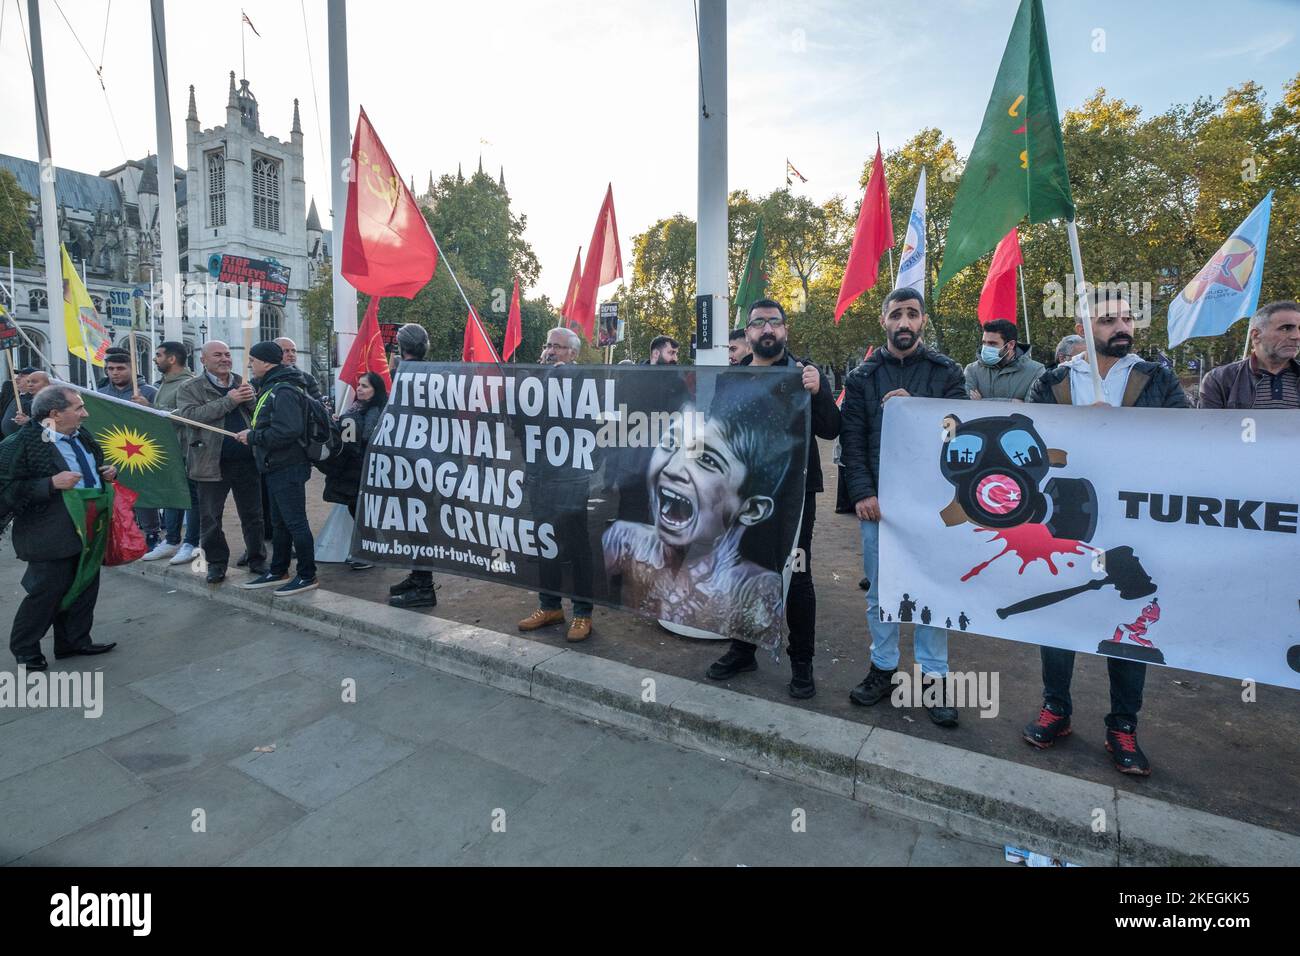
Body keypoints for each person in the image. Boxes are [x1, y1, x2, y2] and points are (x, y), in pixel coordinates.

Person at [1022, 289, 1189, 776]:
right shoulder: (1052, 382)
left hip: (1134, 524)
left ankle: (1123, 726)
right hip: (1067, 520)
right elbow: (1032, 445)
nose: (1120, 327)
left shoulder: (1157, 378)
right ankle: (1057, 709)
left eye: (1126, 319)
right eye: (1107, 319)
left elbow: (1186, 439)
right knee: (1059, 615)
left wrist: (1125, 427)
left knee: (1130, 622)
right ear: (1084, 324)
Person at [840, 287, 967, 726]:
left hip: (934, 505)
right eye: (897, 314)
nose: (905, 323)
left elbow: (962, 435)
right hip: (880, 506)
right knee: (881, 591)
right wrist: (862, 493)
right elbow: (851, 442)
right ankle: (883, 668)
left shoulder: (946, 373)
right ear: (884, 321)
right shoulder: (861, 377)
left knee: (932, 591)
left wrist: (920, 412)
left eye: (913, 314)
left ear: (923, 321)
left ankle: (934, 679)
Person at [701, 300, 840, 698]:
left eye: (773, 322)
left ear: (785, 330)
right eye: (758, 323)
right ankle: (743, 649)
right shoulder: (732, 379)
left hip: (795, 493)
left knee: (796, 575)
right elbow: (717, 431)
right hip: (745, 494)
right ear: (747, 334)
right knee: (745, 571)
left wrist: (818, 394)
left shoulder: (805, 374)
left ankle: (802, 663)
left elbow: (831, 430)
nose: (766, 329)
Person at [1, 385, 119, 669]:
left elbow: (92, 465)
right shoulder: (19, 444)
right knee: (47, 590)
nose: (85, 414)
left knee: (85, 583)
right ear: (55, 413)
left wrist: (107, 473)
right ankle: (25, 649)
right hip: (48, 531)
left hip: (89, 523)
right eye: (78, 408)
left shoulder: (82, 436)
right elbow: (7, 489)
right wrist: (49, 484)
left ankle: (74, 641)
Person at [517, 326, 596, 641]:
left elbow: (587, 419)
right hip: (539, 476)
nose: (550, 351)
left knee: (577, 547)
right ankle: (549, 605)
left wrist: (555, 377)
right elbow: (519, 421)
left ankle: (583, 613)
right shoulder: (535, 379)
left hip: (572, 479)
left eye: (558, 347)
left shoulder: (585, 379)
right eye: (548, 345)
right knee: (545, 542)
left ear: (573, 354)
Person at [175, 341, 266, 584]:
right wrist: (230, 400)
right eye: (218, 355)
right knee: (210, 517)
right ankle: (216, 564)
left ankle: (257, 559)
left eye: (227, 354)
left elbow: (258, 416)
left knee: (253, 514)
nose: (225, 358)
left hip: (246, 461)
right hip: (210, 462)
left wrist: (250, 401)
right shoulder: (190, 387)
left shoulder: (242, 382)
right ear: (203, 360)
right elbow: (191, 417)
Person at [235, 341, 317, 595]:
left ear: (266, 363)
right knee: (280, 523)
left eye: (254, 360)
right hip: (275, 465)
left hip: (287, 465)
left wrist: (254, 437)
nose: (250, 364)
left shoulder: (283, 389)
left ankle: (307, 574)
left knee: (295, 522)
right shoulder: (273, 386)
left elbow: (288, 430)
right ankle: (278, 569)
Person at [387, 322, 441, 609]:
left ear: (400, 346)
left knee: (416, 523)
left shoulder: (402, 376)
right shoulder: (436, 375)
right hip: (426, 462)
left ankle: (424, 585)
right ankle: (419, 575)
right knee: (416, 523)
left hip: (410, 462)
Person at [144, 341, 201, 565]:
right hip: (168, 450)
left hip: (186, 451)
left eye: (158, 355)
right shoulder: (164, 384)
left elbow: (186, 414)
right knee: (170, 495)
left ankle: (191, 542)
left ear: (172, 359)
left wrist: (151, 409)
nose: (155, 359)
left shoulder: (189, 383)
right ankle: (171, 540)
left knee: (190, 498)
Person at [98, 350, 161, 549]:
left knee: (141, 491)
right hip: (112, 448)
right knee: (116, 491)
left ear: (132, 369)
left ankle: (151, 532)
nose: (115, 373)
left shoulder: (149, 392)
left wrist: (149, 406)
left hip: (140, 448)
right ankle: (124, 531)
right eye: (110, 369)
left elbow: (163, 419)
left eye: (120, 368)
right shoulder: (101, 394)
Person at [324, 371, 387, 570]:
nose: (359, 388)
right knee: (358, 511)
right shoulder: (356, 408)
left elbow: (366, 437)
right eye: (359, 385)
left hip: (365, 471)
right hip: (353, 472)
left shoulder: (376, 411)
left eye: (365, 386)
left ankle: (370, 553)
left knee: (365, 513)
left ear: (375, 390)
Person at [1199, 301, 1299, 410]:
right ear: (1256, 335)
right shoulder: (1219, 379)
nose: (1296, 336)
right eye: (1285, 328)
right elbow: (1208, 426)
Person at [964, 318, 1044, 401]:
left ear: (1011, 345)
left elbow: (1033, 408)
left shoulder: (1036, 371)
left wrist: (981, 401)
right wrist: (1012, 402)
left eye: (992, 343)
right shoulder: (972, 370)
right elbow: (967, 405)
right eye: (984, 342)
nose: (986, 348)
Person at [274, 336, 324, 400]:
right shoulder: (265, 377)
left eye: (293, 351)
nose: (291, 354)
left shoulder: (307, 378)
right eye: (286, 351)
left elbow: (319, 405)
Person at [2, 368, 46, 437]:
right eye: (18, 376)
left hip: (26, 443)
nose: (17, 379)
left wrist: (28, 421)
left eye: (22, 376)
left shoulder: (38, 401)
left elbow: (46, 427)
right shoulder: (13, 394)